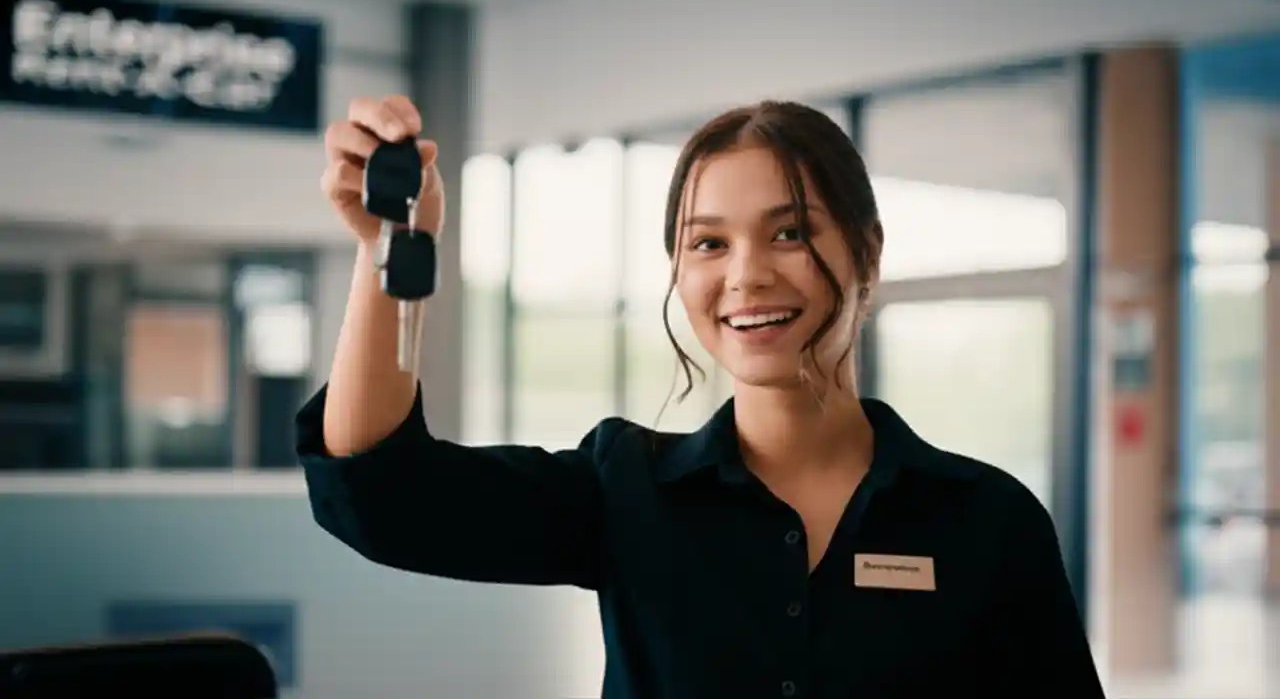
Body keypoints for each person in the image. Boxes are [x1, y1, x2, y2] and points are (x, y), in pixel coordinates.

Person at [299, 95, 1107, 699]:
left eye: (789, 232)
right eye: (708, 243)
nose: (745, 274)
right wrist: (389, 248)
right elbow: (380, 494)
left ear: (867, 251)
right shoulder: (627, 492)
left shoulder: (988, 521)